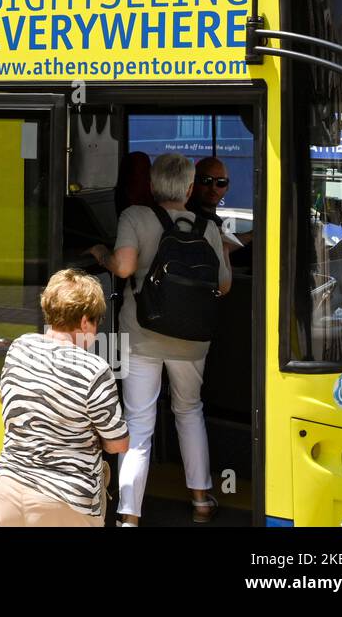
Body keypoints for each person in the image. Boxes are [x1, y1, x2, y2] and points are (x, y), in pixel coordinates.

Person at [88, 152, 232, 525]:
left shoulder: (135, 216)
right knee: (189, 411)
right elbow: (224, 285)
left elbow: (123, 267)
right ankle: (201, 499)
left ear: (153, 186)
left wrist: (102, 254)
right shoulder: (209, 227)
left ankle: (129, 517)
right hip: (193, 339)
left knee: (138, 424)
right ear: (188, 188)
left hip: (142, 336)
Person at [0, 269, 129, 527]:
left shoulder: (20, 347)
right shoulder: (94, 370)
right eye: (97, 322)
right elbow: (118, 444)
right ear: (85, 320)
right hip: (65, 500)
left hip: (7, 489)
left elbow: (9, 404)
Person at [188, 156, 253, 263]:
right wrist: (251, 236)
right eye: (206, 180)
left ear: (227, 187)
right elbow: (220, 246)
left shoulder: (214, 219)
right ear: (193, 183)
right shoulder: (190, 217)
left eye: (221, 182)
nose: (213, 187)